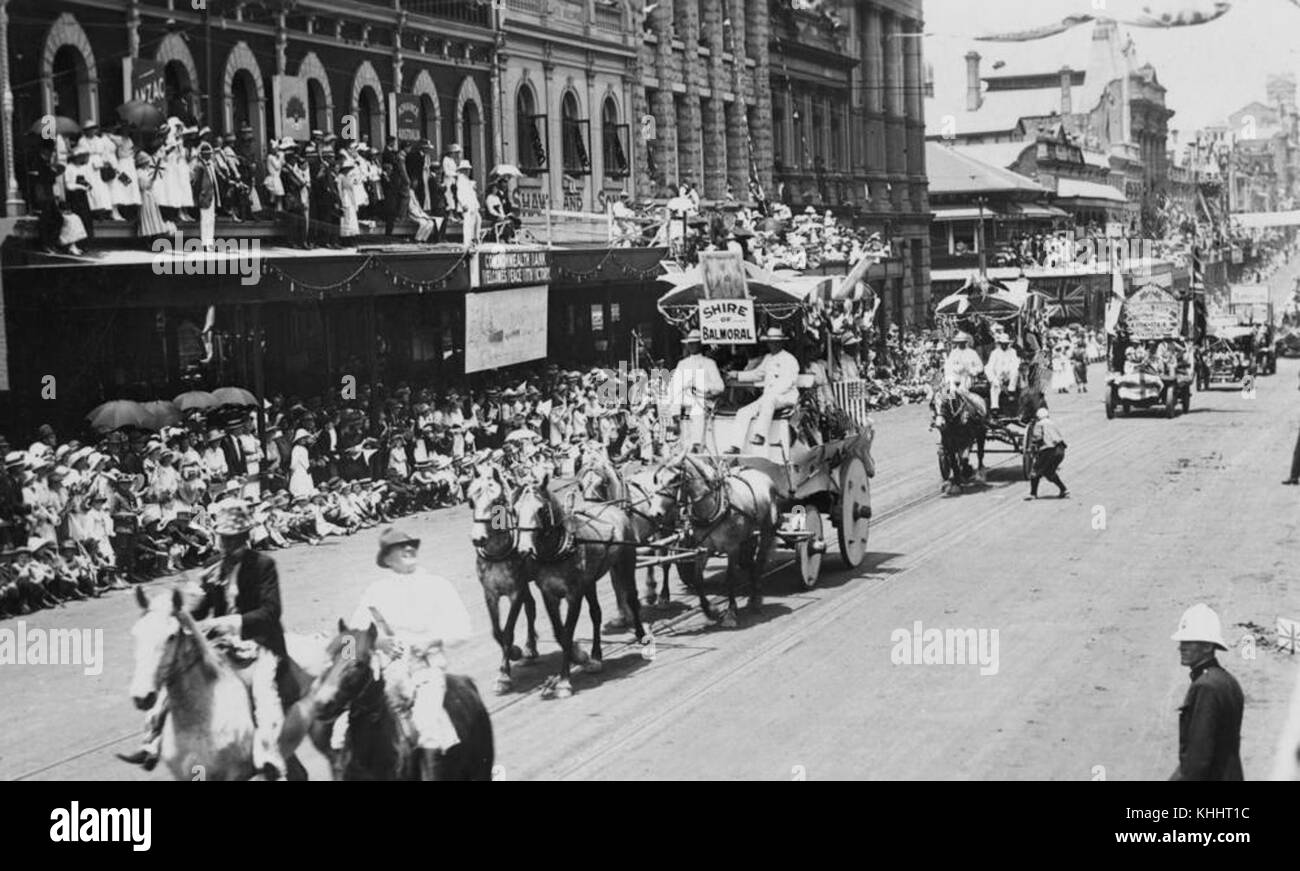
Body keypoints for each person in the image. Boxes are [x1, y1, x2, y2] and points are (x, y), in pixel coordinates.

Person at [120, 499, 292, 777]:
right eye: (224, 539)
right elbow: (201, 606)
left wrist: (227, 622)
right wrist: (182, 607)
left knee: (263, 689)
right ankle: (151, 739)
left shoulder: (263, 565)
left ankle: (267, 752)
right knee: (174, 675)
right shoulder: (214, 565)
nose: (227, 546)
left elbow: (271, 612)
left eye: (233, 539)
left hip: (258, 642)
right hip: (219, 643)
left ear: (244, 537)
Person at [332, 528, 473, 760]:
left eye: (411, 545)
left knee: (427, 728)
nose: (409, 549)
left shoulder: (438, 585)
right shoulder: (376, 591)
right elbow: (349, 637)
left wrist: (433, 640)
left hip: (425, 670)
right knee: (340, 733)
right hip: (384, 674)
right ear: (387, 559)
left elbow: (464, 629)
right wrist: (375, 642)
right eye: (399, 547)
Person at [1169, 603, 1244, 781]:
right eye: (1182, 642)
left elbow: (1198, 758)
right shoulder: (1227, 680)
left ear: (1208, 647)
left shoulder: (1205, 687)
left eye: (1189, 641)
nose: (1181, 647)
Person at [727, 327, 800, 451]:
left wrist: (770, 394)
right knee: (743, 412)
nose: (772, 344)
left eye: (775, 342)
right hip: (768, 398)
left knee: (769, 400)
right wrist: (737, 375)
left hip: (786, 396)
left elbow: (788, 383)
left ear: (781, 342)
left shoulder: (790, 359)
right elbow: (758, 374)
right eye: (770, 342)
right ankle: (735, 446)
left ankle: (760, 435)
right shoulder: (768, 358)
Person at [665, 330, 725, 452]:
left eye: (695, 343)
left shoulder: (709, 363)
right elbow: (673, 386)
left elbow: (720, 387)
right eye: (690, 344)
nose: (692, 346)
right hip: (686, 401)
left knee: (696, 405)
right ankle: (676, 432)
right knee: (673, 398)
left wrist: (703, 388)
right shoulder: (682, 363)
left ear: (700, 344)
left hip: (704, 400)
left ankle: (696, 445)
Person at [1026, 407, 1067, 500]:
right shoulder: (1052, 423)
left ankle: (1033, 494)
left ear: (1038, 417)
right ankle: (1063, 489)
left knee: (1035, 471)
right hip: (1060, 450)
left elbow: (1037, 438)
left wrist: (1031, 448)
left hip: (1049, 450)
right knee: (1049, 472)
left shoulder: (1039, 424)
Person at [986, 329, 1021, 414]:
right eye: (1002, 344)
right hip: (998, 377)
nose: (1004, 345)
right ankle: (995, 407)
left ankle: (1011, 390)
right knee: (995, 387)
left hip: (1009, 376)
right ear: (999, 344)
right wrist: (994, 379)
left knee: (1015, 371)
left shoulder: (1012, 352)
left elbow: (1016, 364)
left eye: (1006, 344)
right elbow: (989, 367)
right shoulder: (994, 353)